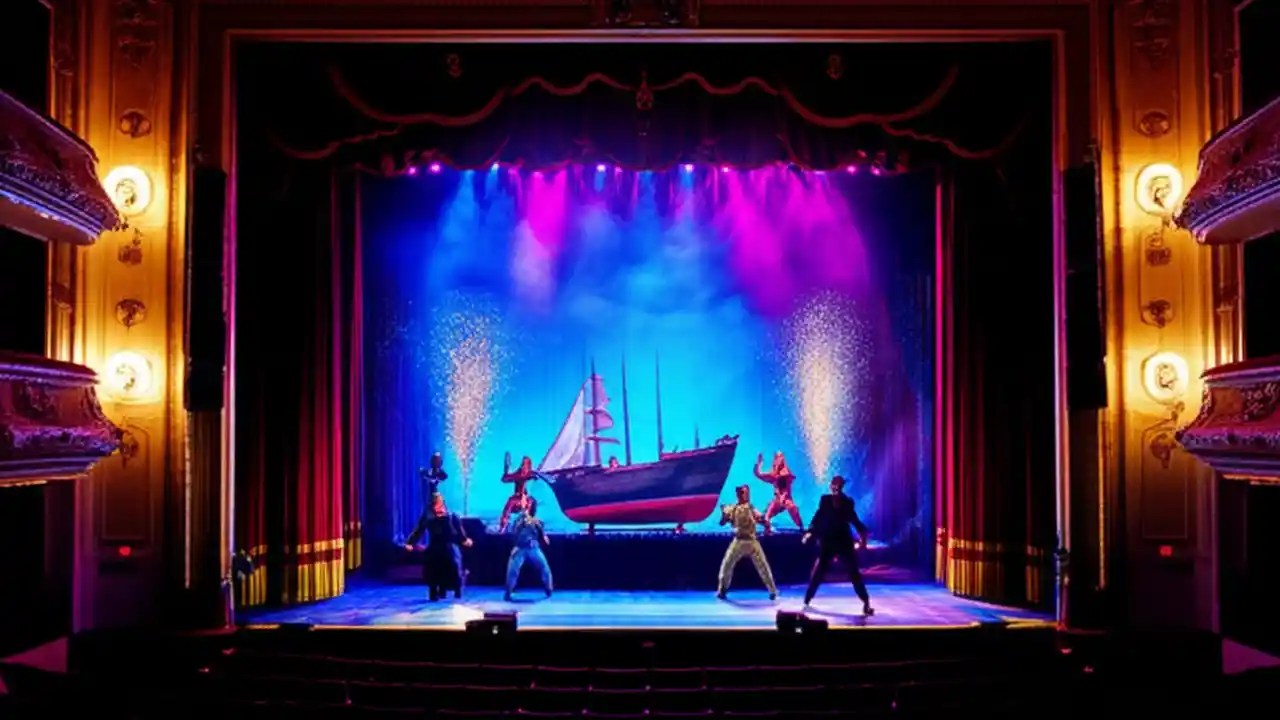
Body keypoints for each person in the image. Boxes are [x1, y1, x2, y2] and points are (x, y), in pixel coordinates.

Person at [802, 475, 874, 615]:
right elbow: (818, 517)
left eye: (839, 484)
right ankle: (807, 601)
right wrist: (810, 532)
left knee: (854, 573)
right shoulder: (825, 500)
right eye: (834, 484)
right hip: (828, 541)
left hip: (844, 541)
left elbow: (854, 519)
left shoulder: (847, 502)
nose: (836, 486)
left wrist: (862, 534)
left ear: (842, 486)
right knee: (818, 572)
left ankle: (866, 603)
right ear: (831, 486)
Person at [404, 493, 473, 601]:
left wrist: (464, 540)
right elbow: (419, 530)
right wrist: (410, 542)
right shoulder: (428, 516)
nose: (438, 502)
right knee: (433, 568)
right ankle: (434, 592)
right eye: (436, 500)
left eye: (440, 500)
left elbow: (458, 530)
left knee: (452, 566)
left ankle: (449, 589)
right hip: (435, 546)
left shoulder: (451, 516)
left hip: (449, 546)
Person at [716, 484, 778, 601]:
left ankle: (773, 591)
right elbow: (722, 522)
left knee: (763, 566)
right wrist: (724, 516)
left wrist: (767, 527)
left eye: (746, 492)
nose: (745, 495)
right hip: (738, 541)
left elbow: (762, 519)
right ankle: (722, 590)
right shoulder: (733, 509)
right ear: (738, 494)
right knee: (727, 565)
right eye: (742, 492)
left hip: (752, 541)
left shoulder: (751, 508)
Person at [504, 494, 553, 601]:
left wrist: (544, 536)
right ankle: (508, 592)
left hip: (533, 548)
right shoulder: (520, 519)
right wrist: (515, 546)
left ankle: (549, 589)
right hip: (520, 548)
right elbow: (515, 532)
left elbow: (542, 534)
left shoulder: (537, 521)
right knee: (513, 570)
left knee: (544, 568)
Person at [754, 451, 803, 533]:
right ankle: (768, 530)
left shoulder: (786, 474)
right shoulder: (773, 475)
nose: (779, 459)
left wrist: (783, 498)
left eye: (780, 457)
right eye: (777, 457)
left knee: (793, 509)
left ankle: (803, 530)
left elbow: (786, 490)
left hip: (786, 499)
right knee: (765, 517)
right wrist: (759, 463)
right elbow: (758, 474)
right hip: (777, 500)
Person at [499, 454, 539, 532]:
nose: (523, 466)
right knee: (509, 506)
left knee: (532, 503)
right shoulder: (519, 474)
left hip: (524, 500)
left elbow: (535, 476)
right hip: (518, 500)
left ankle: (530, 525)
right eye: (522, 464)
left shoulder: (529, 474)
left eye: (525, 464)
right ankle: (503, 528)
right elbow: (504, 479)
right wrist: (506, 470)